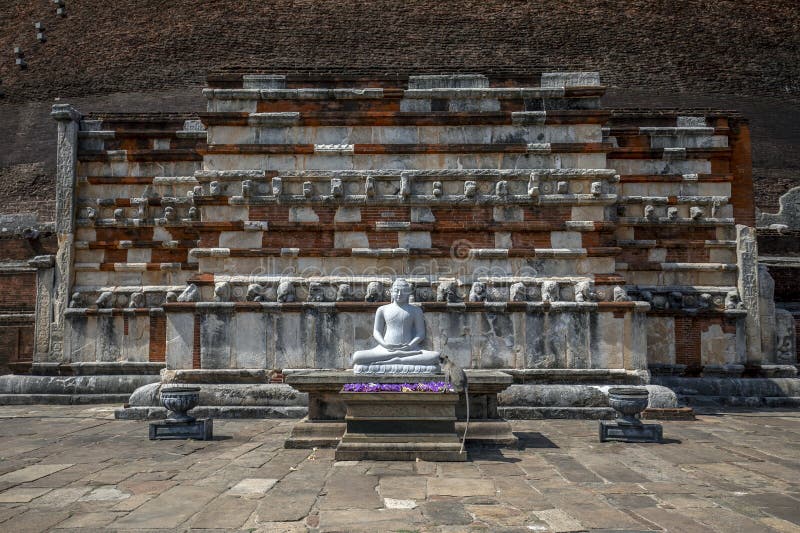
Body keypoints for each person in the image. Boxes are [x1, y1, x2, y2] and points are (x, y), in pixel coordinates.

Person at [352, 278, 440, 370]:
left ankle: (399, 360)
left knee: (435, 356)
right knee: (357, 357)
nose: (399, 294)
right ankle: (397, 356)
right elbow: (376, 332)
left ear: (408, 292)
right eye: (396, 291)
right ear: (391, 292)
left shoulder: (416, 310)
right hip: (385, 350)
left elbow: (420, 333)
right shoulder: (382, 309)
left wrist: (410, 346)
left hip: (410, 350)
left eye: (403, 291)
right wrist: (384, 344)